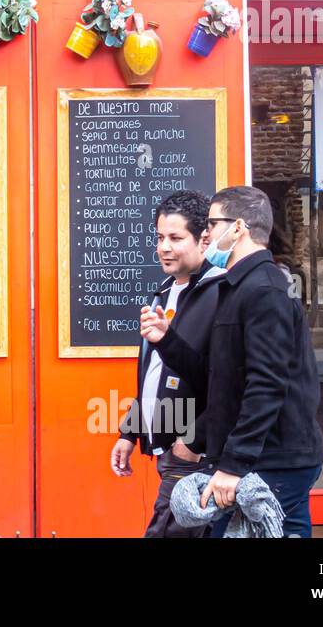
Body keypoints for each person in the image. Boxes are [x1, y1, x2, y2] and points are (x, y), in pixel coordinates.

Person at [148, 185, 323, 538]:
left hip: (274, 461)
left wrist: (234, 465)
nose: (208, 232)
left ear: (239, 227)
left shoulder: (264, 290)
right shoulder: (238, 286)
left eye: (213, 224)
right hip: (261, 460)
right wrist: (167, 341)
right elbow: (219, 378)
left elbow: (266, 385)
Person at [113, 190, 224, 537]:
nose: (164, 247)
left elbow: (223, 383)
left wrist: (190, 442)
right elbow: (156, 373)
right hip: (171, 449)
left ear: (203, 239)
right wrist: (131, 431)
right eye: (160, 237)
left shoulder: (221, 293)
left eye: (176, 238)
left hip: (194, 455)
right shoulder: (163, 291)